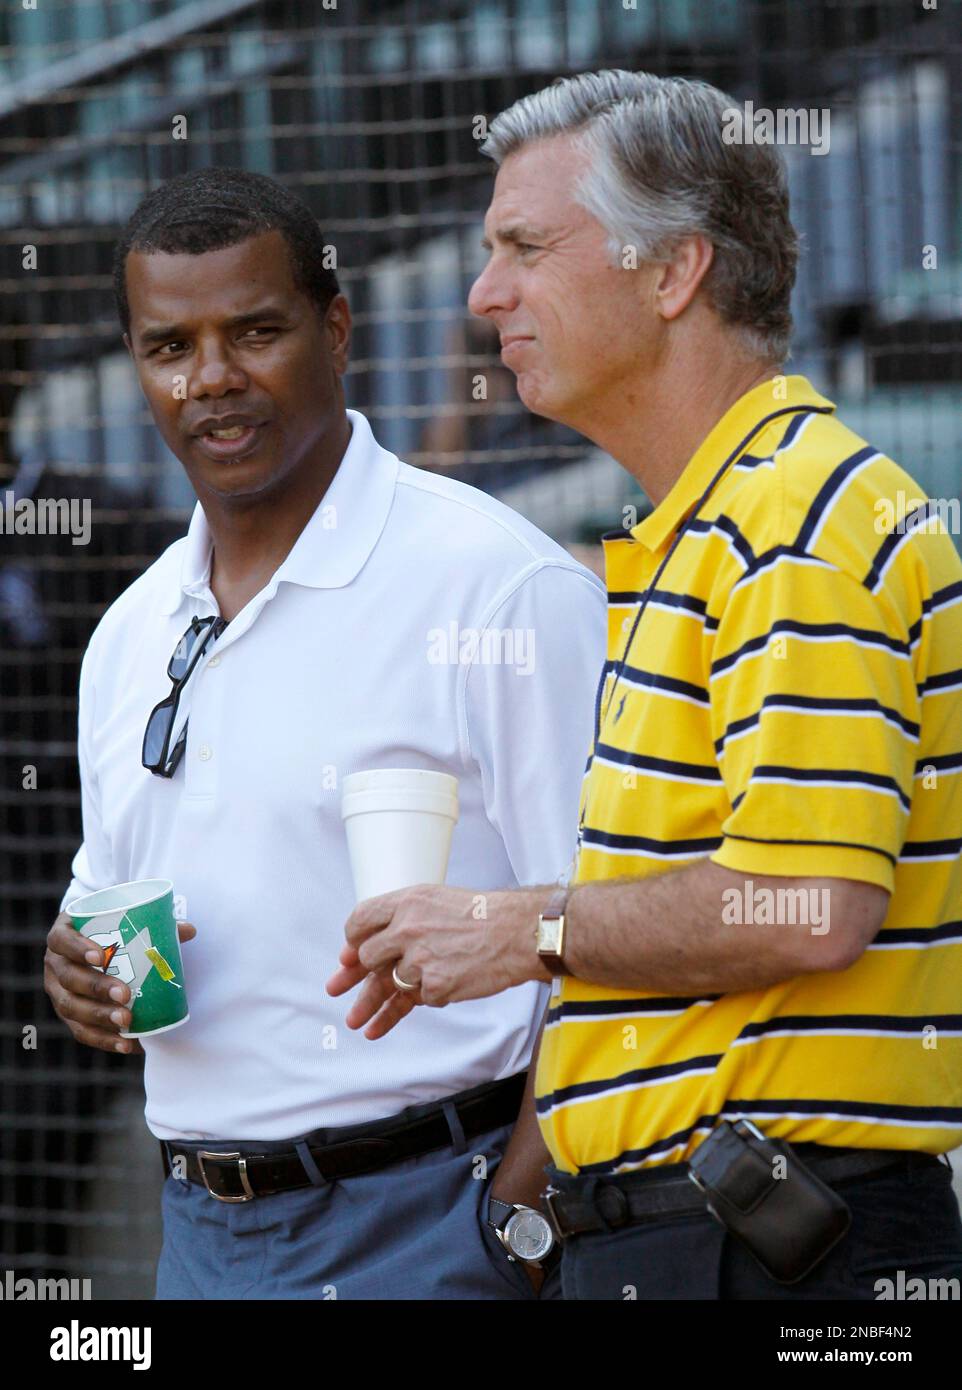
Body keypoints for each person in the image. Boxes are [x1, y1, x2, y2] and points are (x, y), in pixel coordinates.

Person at [331, 70, 962, 1300]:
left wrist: (520, 928)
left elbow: (810, 904)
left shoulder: (794, 515)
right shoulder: (722, 519)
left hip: (768, 1238)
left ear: (671, 272)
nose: (483, 293)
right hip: (708, 1233)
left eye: (523, 246)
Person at [42, 167, 607, 1300]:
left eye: (254, 331)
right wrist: (79, 971)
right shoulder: (126, 631)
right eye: (169, 347)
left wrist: (520, 1213)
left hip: (436, 1217)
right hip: (199, 1234)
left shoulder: (495, 587)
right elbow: (109, 904)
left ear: (336, 328)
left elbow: (619, 931)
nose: (211, 380)